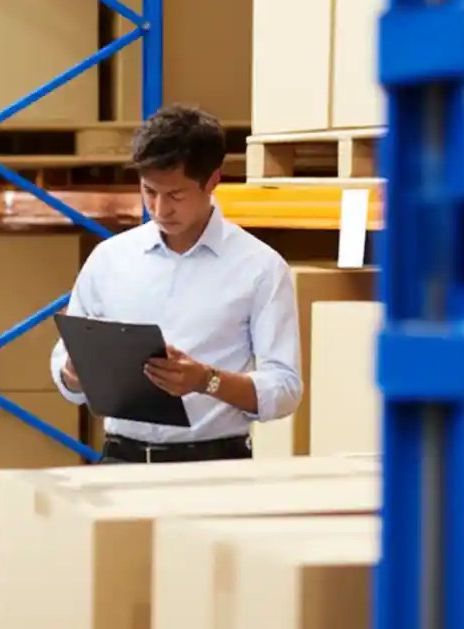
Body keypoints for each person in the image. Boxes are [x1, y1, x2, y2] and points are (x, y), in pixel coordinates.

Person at [49, 105, 303, 463]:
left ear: (213, 181)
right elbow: (66, 367)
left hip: (213, 467)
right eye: (149, 191)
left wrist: (206, 380)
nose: (160, 208)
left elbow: (285, 389)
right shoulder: (110, 259)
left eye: (176, 195)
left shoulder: (260, 267)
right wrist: (73, 372)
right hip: (120, 461)